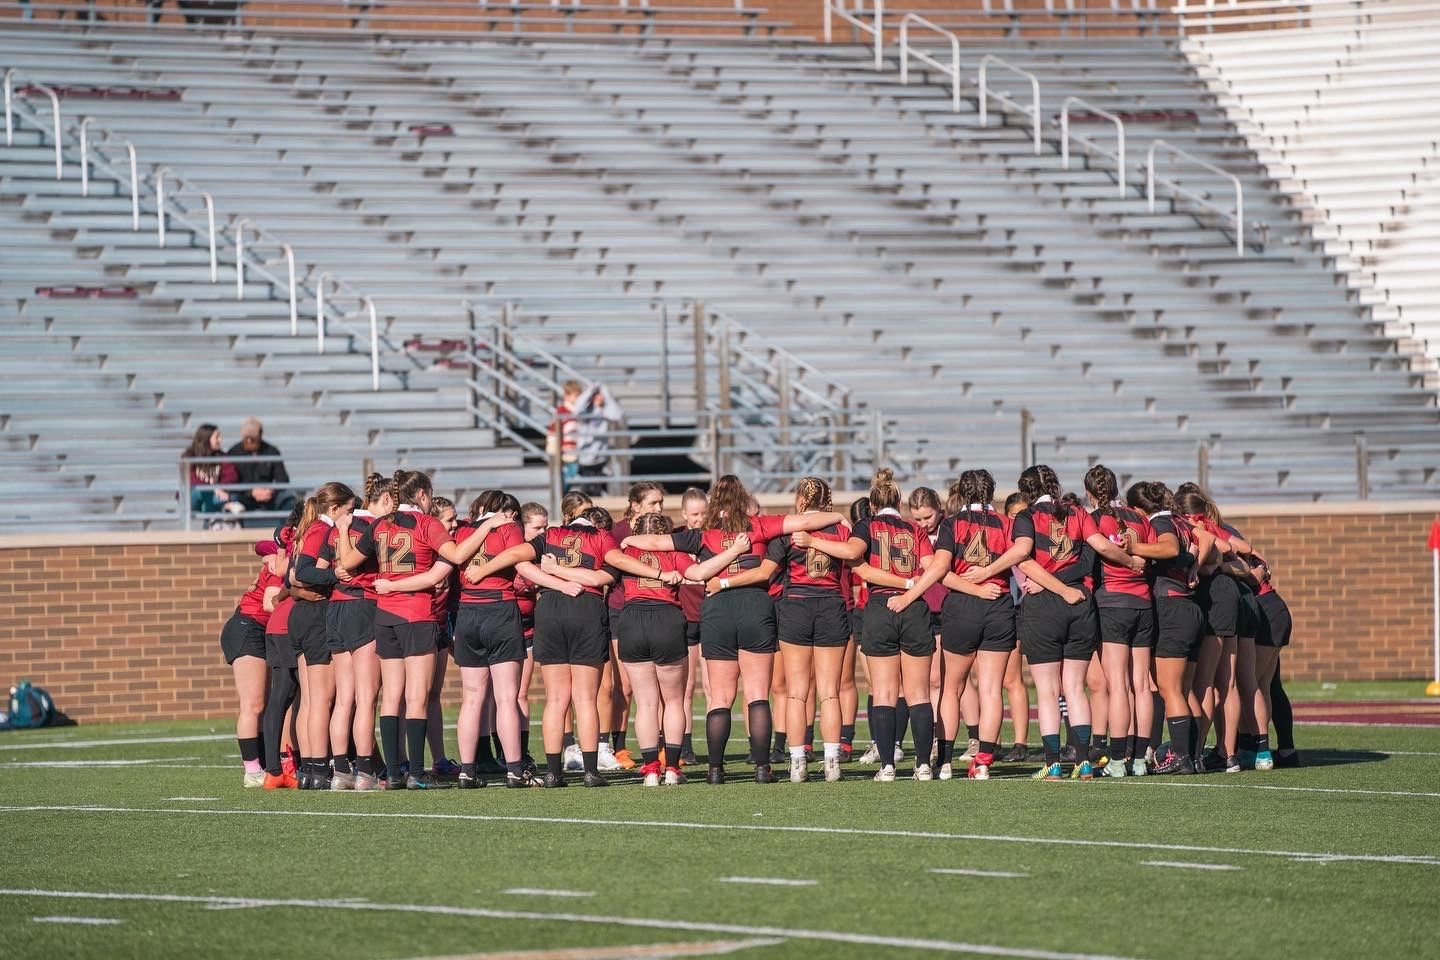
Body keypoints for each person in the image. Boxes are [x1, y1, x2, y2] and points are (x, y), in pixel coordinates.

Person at [620, 476, 847, 785]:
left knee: (720, 697)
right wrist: (837, 515)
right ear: (744, 499)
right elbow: (806, 520)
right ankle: (762, 768)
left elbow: (657, 542)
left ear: (715, 503)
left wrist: (630, 541)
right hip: (755, 608)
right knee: (757, 694)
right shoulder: (760, 525)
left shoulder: (702, 534)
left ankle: (715, 769)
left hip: (718, 611)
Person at [458, 491, 667, 788]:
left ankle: (554, 772)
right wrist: (659, 572)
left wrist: (485, 570)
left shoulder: (553, 534)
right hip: (585, 608)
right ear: (598, 524)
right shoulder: (600, 538)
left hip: (550, 610)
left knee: (555, 699)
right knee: (585, 698)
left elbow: (518, 556)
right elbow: (609, 570)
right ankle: (590, 772)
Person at [1009, 465, 1144, 782]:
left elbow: (1024, 558)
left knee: (1047, 691)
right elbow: (1101, 547)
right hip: (1081, 603)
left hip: (1045, 606)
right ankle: (1084, 763)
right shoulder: (1076, 512)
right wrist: (1131, 561)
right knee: (1075, 688)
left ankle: (1053, 764)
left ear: (1026, 491)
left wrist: (1053, 585)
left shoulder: (1026, 517)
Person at [337, 470, 454, 789]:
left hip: (385, 616)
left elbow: (346, 562)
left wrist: (343, 532)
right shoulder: (427, 524)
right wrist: (486, 528)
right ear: (422, 495)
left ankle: (392, 772)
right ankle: (415, 772)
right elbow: (454, 556)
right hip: (416, 613)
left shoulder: (378, 524)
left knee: (391, 697)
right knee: (416, 697)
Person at [618, 512, 749, 786]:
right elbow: (700, 573)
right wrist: (735, 550)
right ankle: (672, 769)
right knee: (674, 700)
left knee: (646, 702)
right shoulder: (673, 552)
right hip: (666, 619)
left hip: (631, 620)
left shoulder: (624, 549)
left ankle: (651, 769)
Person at [1084, 465, 1156, 777]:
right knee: (1141, 685)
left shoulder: (1093, 518)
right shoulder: (1138, 516)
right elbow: (1152, 553)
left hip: (1113, 602)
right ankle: (1139, 759)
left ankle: (1117, 760)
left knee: (1119, 685)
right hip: (1143, 601)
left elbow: (1095, 551)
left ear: (1089, 493)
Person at [290, 482, 357, 790]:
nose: (352, 515)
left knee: (311, 699)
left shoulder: (311, 528)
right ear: (334, 509)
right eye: (349, 510)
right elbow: (302, 571)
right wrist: (335, 576)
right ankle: (317, 768)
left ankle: (309, 769)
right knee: (321, 698)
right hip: (314, 617)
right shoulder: (321, 529)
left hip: (303, 616)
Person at [220, 526, 287, 787]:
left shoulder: (282, 558)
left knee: (264, 703)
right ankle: (251, 770)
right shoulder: (279, 565)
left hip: (258, 629)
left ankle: (262, 763)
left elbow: (264, 547)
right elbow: (270, 603)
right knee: (254, 703)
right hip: (247, 627)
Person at [227, 417, 297, 524]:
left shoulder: (272, 451)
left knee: (288, 499)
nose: (249, 441)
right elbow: (231, 480)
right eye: (247, 438)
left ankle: (287, 533)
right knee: (232, 499)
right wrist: (251, 492)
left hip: (269, 495)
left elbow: (282, 479)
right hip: (245, 496)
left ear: (260, 435)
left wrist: (271, 491)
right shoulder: (234, 452)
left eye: (252, 438)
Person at [182, 424, 239, 520]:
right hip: (192, 498)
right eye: (217, 437)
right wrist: (214, 488)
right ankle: (225, 506)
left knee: (218, 500)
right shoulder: (189, 456)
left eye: (220, 436)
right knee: (200, 491)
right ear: (206, 438)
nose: (220, 440)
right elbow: (191, 481)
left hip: (213, 497)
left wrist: (221, 488)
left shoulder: (222, 456)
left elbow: (231, 476)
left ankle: (209, 524)